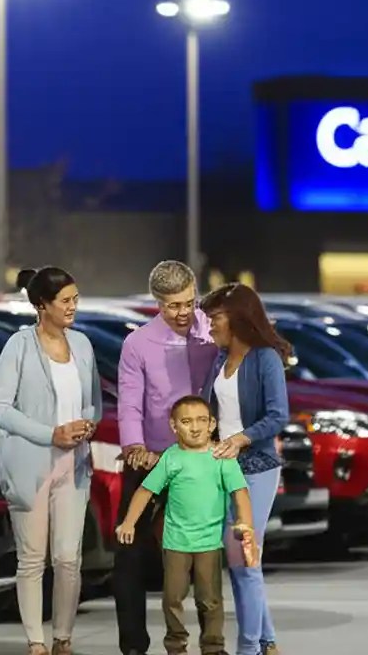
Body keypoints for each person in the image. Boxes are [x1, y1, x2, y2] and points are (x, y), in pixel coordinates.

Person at [0, 266, 103, 655]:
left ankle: (63, 639)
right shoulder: (19, 346)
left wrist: (88, 423)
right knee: (33, 559)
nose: (74, 306)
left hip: (74, 466)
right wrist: (50, 433)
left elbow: (94, 401)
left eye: (76, 298)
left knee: (69, 558)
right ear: (42, 305)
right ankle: (36, 642)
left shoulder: (83, 345)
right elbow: (0, 409)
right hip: (30, 466)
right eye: (65, 300)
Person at [113, 260, 218, 655]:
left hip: (200, 461)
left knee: (206, 558)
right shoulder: (138, 344)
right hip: (151, 460)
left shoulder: (211, 332)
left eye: (189, 302)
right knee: (129, 555)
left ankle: (212, 642)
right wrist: (135, 448)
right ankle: (134, 646)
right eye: (173, 305)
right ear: (157, 302)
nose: (183, 313)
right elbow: (129, 405)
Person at [116, 395, 257, 655]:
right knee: (172, 599)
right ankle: (176, 645)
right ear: (173, 426)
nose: (195, 427)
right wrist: (129, 523)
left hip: (209, 544)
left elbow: (240, 493)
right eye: (187, 421)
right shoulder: (171, 457)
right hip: (175, 543)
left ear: (212, 424)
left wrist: (245, 524)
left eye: (202, 420)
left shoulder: (222, 457)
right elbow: (145, 491)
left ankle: (213, 647)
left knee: (210, 600)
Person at [199, 283, 291, 655]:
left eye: (216, 318)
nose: (211, 327)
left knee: (244, 558)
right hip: (221, 468)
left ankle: (249, 647)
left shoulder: (265, 358)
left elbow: (277, 415)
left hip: (256, 467)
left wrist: (241, 438)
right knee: (238, 563)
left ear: (237, 318)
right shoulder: (219, 361)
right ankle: (265, 641)